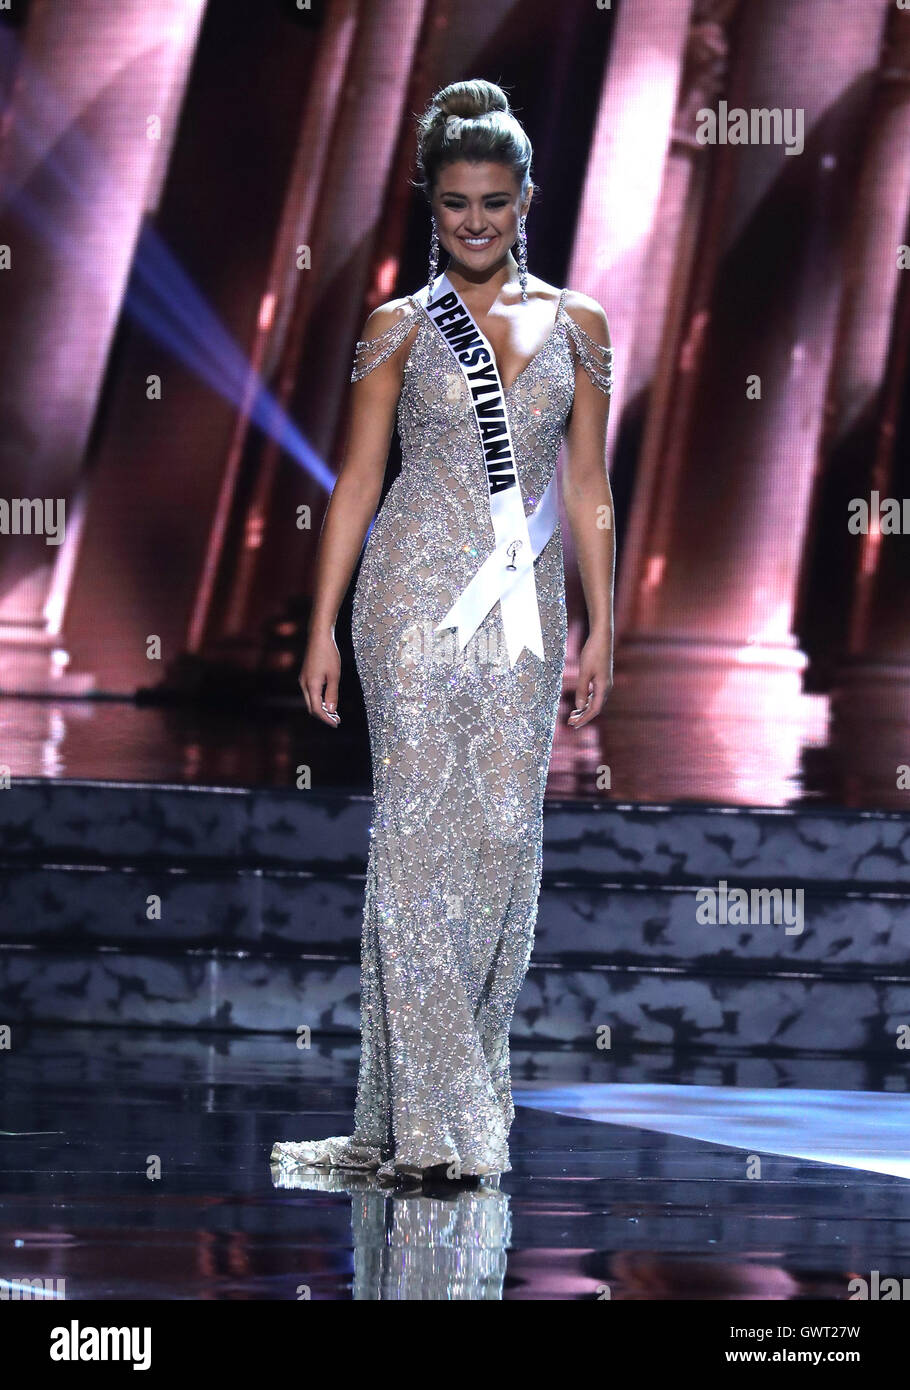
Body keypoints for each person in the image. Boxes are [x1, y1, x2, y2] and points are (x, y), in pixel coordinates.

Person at [271, 79, 614, 1186]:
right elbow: (359, 479)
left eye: (495, 203)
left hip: (523, 605)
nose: (475, 221)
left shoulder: (582, 325)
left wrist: (605, 623)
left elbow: (592, 486)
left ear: (527, 200)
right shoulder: (395, 328)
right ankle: (443, 1122)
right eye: (455, 202)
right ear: (431, 200)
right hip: (411, 598)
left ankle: (422, 1103)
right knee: (417, 845)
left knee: (502, 842)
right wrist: (321, 623)